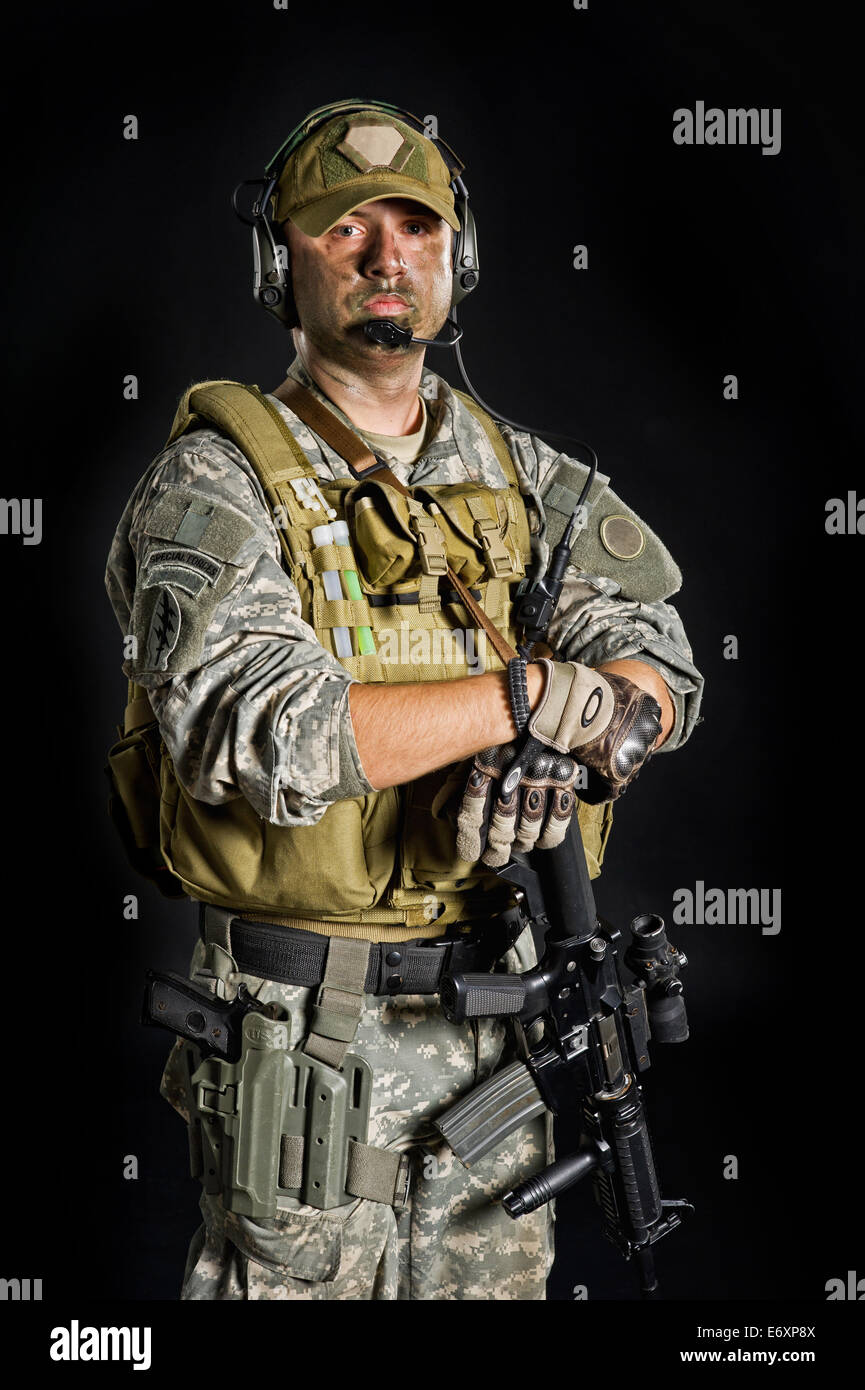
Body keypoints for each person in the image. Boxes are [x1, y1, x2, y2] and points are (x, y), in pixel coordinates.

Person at [105, 100, 704, 1300]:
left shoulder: (529, 481)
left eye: (415, 229)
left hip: (498, 1037)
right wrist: (538, 693)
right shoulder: (213, 484)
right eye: (345, 231)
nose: (389, 258)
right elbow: (273, 734)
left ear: (456, 257)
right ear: (281, 264)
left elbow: (658, 669)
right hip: (306, 1047)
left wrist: (571, 753)